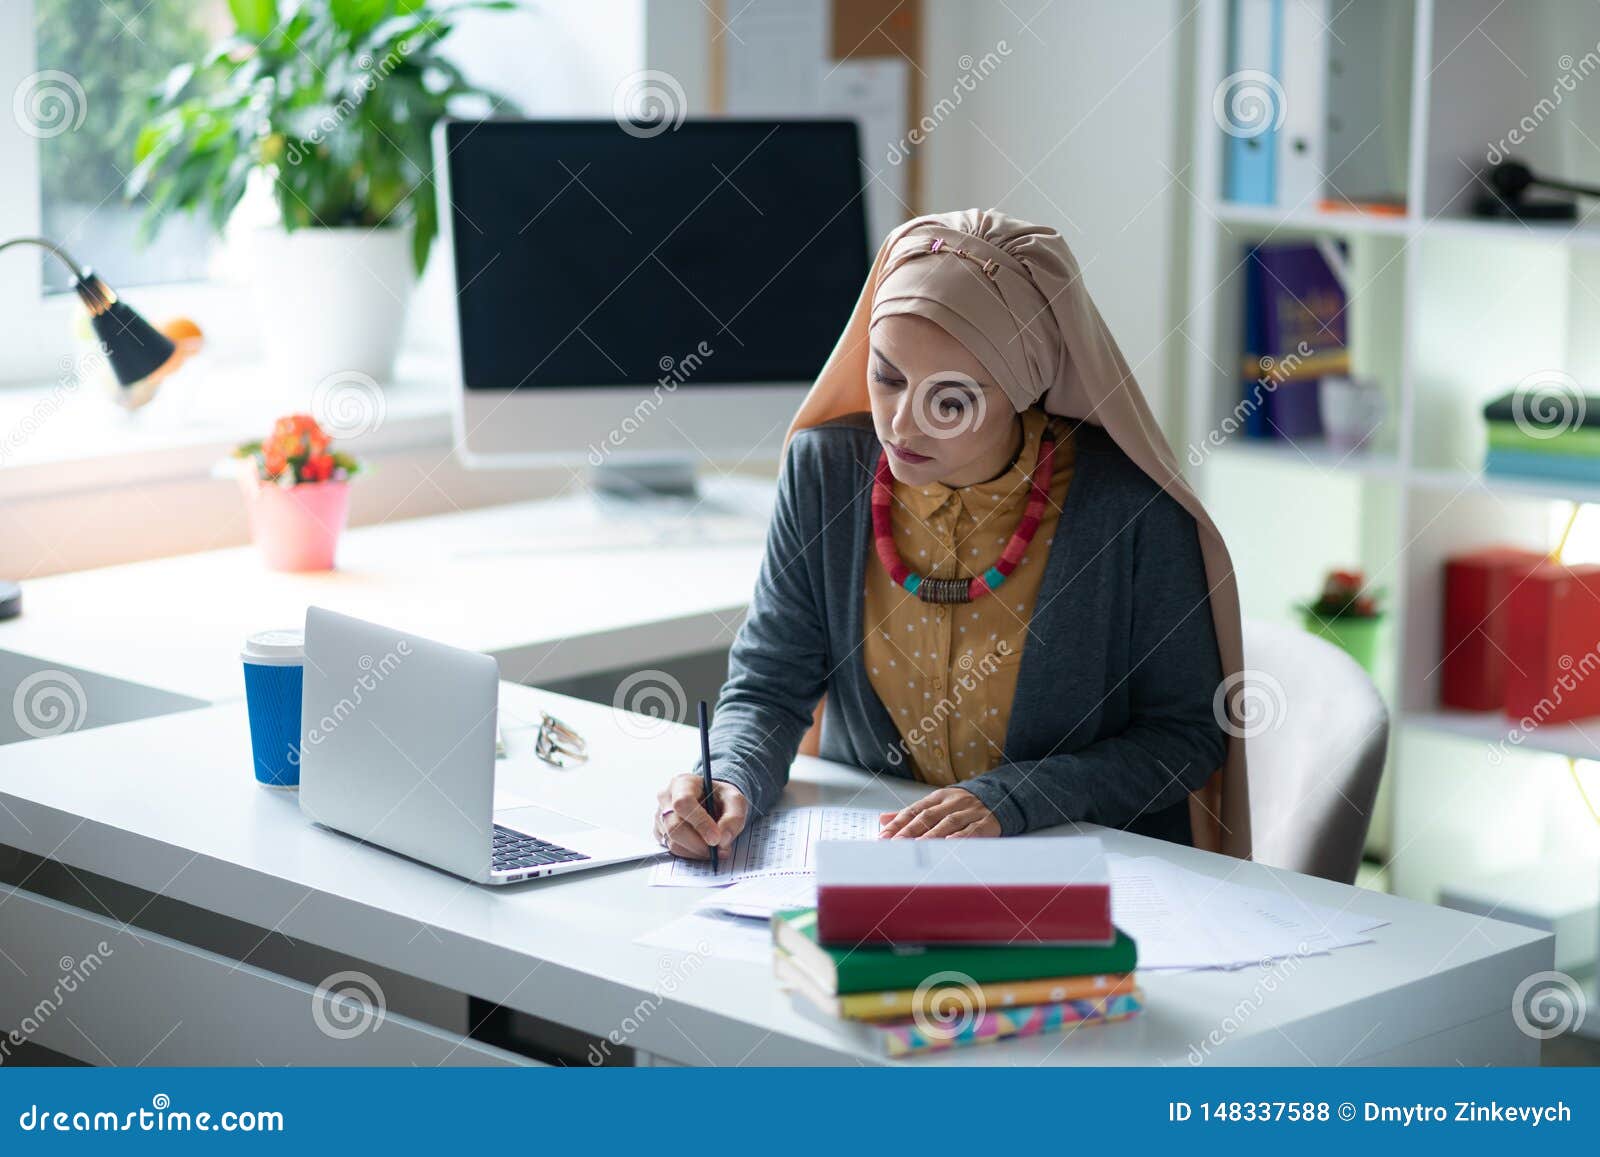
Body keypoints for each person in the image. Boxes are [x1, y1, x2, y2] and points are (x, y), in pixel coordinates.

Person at [654, 209, 1251, 861]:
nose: (902, 424)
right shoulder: (825, 471)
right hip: (878, 857)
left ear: (1022, 387)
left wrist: (1017, 797)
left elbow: (1186, 735)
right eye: (887, 377)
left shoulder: (1129, 507)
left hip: (1083, 869)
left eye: (950, 399)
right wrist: (728, 776)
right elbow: (770, 685)